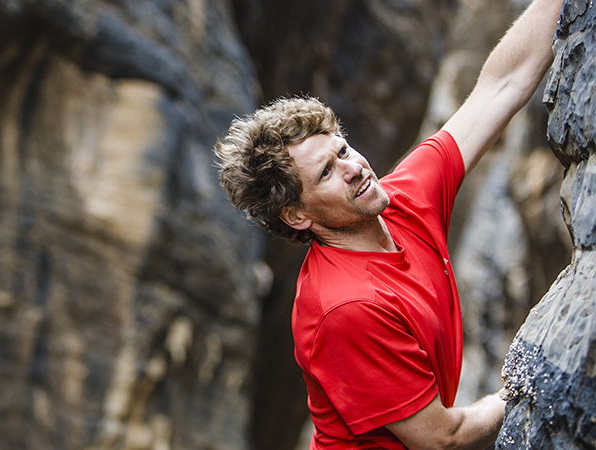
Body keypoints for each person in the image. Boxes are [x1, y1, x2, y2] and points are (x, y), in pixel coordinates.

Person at [213, 0, 564, 448]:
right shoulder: (344, 309)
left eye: (342, 149)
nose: (353, 167)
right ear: (297, 215)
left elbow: (500, 86)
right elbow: (442, 437)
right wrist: (527, 386)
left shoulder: (405, 199)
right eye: (326, 172)